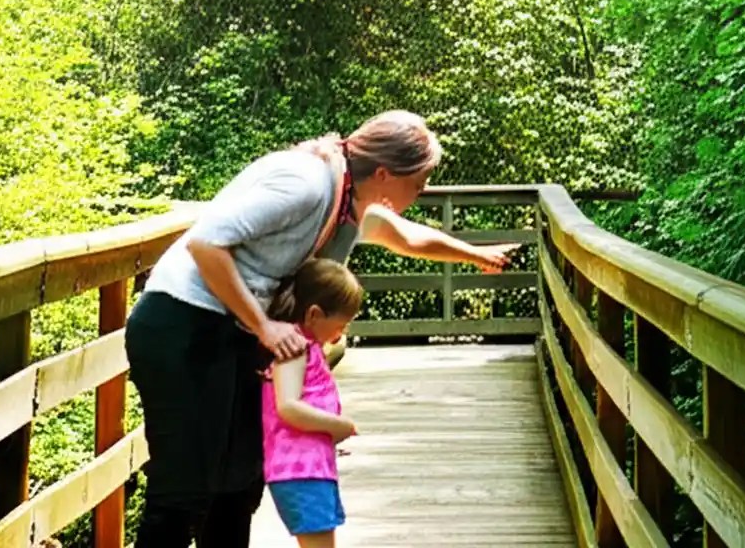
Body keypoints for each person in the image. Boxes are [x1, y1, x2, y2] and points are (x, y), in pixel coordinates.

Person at [124, 110, 514, 547]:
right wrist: (264, 325)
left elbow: (405, 237)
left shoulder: (350, 199)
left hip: (233, 333)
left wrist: (477, 255)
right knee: (183, 491)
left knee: (239, 484)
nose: (420, 194)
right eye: (418, 184)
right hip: (182, 323)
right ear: (385, 173)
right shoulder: (307, 184)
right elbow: (205, 242)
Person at [262, 259, 363, 548]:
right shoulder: (295, 349)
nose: (341, 334)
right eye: (340, 325)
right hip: (300, 471)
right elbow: (288, 406)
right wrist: (338, 425)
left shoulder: (310, 348)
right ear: (314, 314)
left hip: (312, 468)